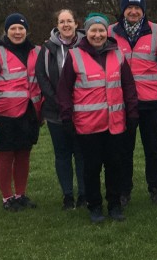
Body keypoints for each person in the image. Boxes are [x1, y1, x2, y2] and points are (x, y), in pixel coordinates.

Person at [57, 13, 139, 223]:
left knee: (114, 167)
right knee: (91, 169)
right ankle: (94, 206)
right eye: (93, 30)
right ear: (87, 32)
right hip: (88, 126)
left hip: (115, 124)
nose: (98, 34)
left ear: (106, 32)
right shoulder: (75, 56)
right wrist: (66, 117)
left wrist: (132, 114)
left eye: (101, 30)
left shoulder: (118, 55)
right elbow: (64, 91)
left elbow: (128, 87)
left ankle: (114, 206)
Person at [109, 0, 157, 206]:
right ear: (123, 9)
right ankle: (124, 190)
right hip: (122, 102)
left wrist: (151, 86)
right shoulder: (110, 32)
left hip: (150, 102)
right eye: (129, 7)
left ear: (143, 10)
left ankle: (155, 189)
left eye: (137, 8)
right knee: (124, 149)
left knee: (152, 148)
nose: (133, 11)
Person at [0, 13, 43, 211]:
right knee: (5, 156)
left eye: (21, 28)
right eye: (13, 28)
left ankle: (20, 195)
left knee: (24, 154)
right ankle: (7, 198)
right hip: (4, 114)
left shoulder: (37, 51)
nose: (17, 32)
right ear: (6, 31)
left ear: (27, 30)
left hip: (30, 113)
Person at [38, 8, 86, 210]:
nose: (66, 25)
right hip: (56, 112)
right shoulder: (47, 48)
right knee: (62, 154)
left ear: (76, 23)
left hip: (82, 110)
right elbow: (42, 78)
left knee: (82, 155)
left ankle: (84, 194)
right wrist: (60, 101)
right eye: (62, 22)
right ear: (57, 26)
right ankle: (67, 196)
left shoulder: (86, 44)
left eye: (69, 21)